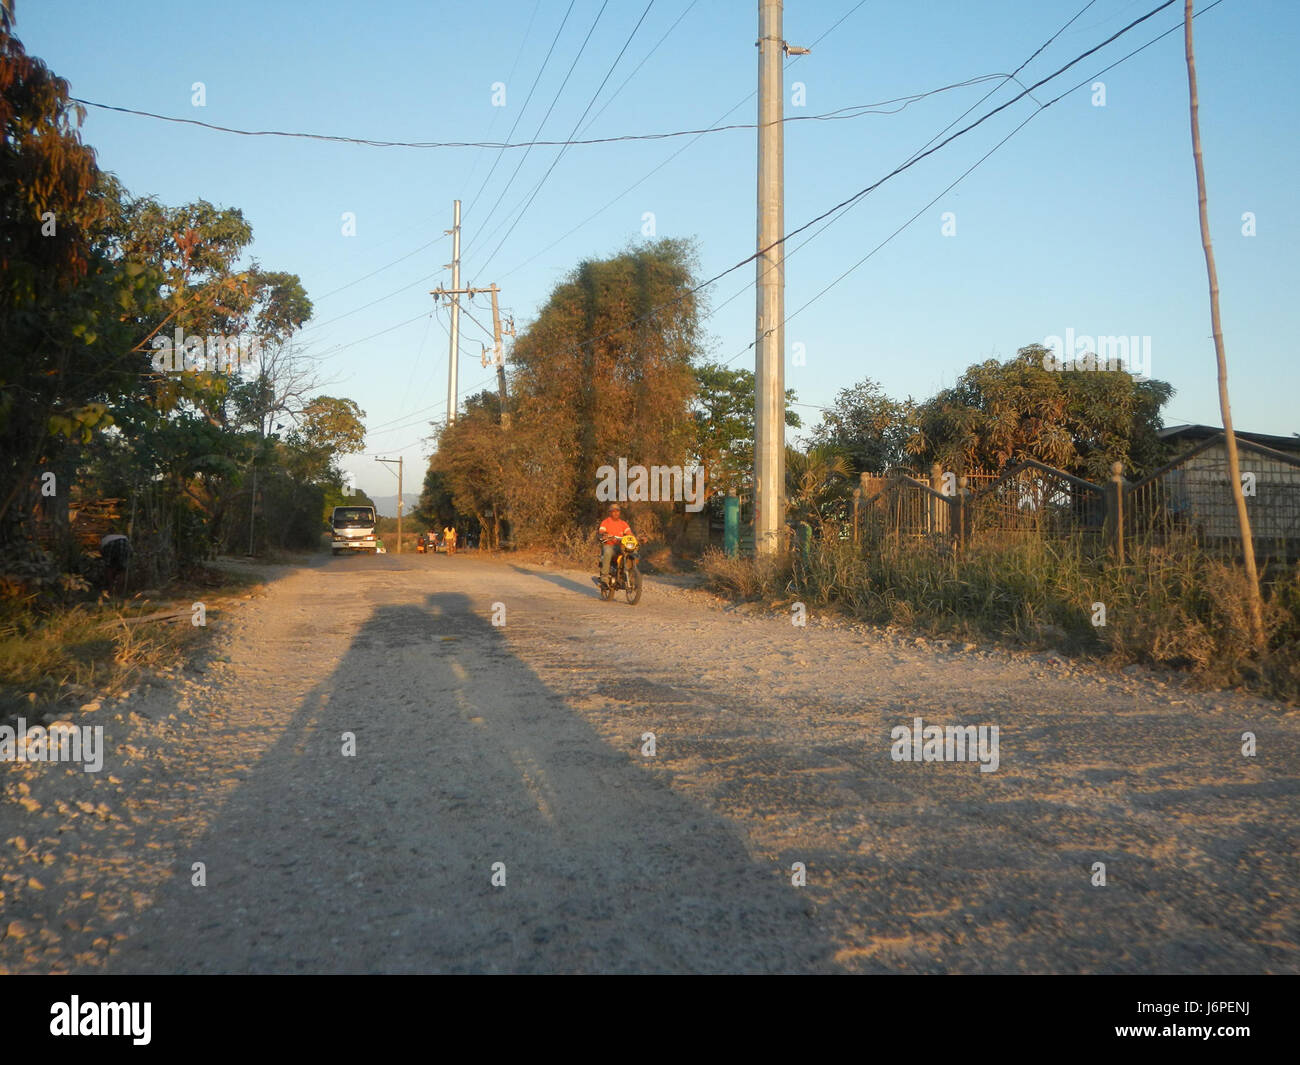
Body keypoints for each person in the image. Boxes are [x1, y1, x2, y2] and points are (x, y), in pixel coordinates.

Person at [597, 504, 633, 587]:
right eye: (614, 511)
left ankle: (630, 574)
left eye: (617, 511)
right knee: (608, 551)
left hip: (621, 546)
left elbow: (629, 534)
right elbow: (601, 531)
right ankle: (604, 577)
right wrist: (604, 535)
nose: (616, 513)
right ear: (610, 512)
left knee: (633, 552)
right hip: (609, 545)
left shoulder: (623, 523)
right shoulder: (605, 522)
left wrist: (636, 538)